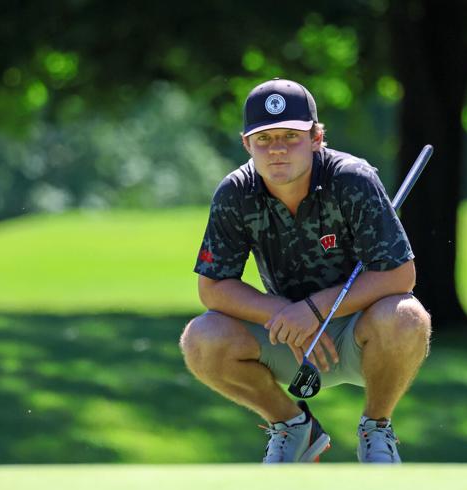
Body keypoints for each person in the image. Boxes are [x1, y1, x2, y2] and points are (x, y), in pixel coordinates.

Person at [180, 78, 431, 464]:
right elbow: (214, 288)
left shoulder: (352, 179)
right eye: (264, 139)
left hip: (359, 332)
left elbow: (399, 276)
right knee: (201, 338)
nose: (276, 149)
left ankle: (376, 429)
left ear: (316, 138)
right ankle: (293, 427)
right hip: (287, 337)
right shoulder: (235, 193)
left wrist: (313, 310)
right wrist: (282, 314)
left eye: (290, 136)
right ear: (247, 144)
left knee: (408, 316)